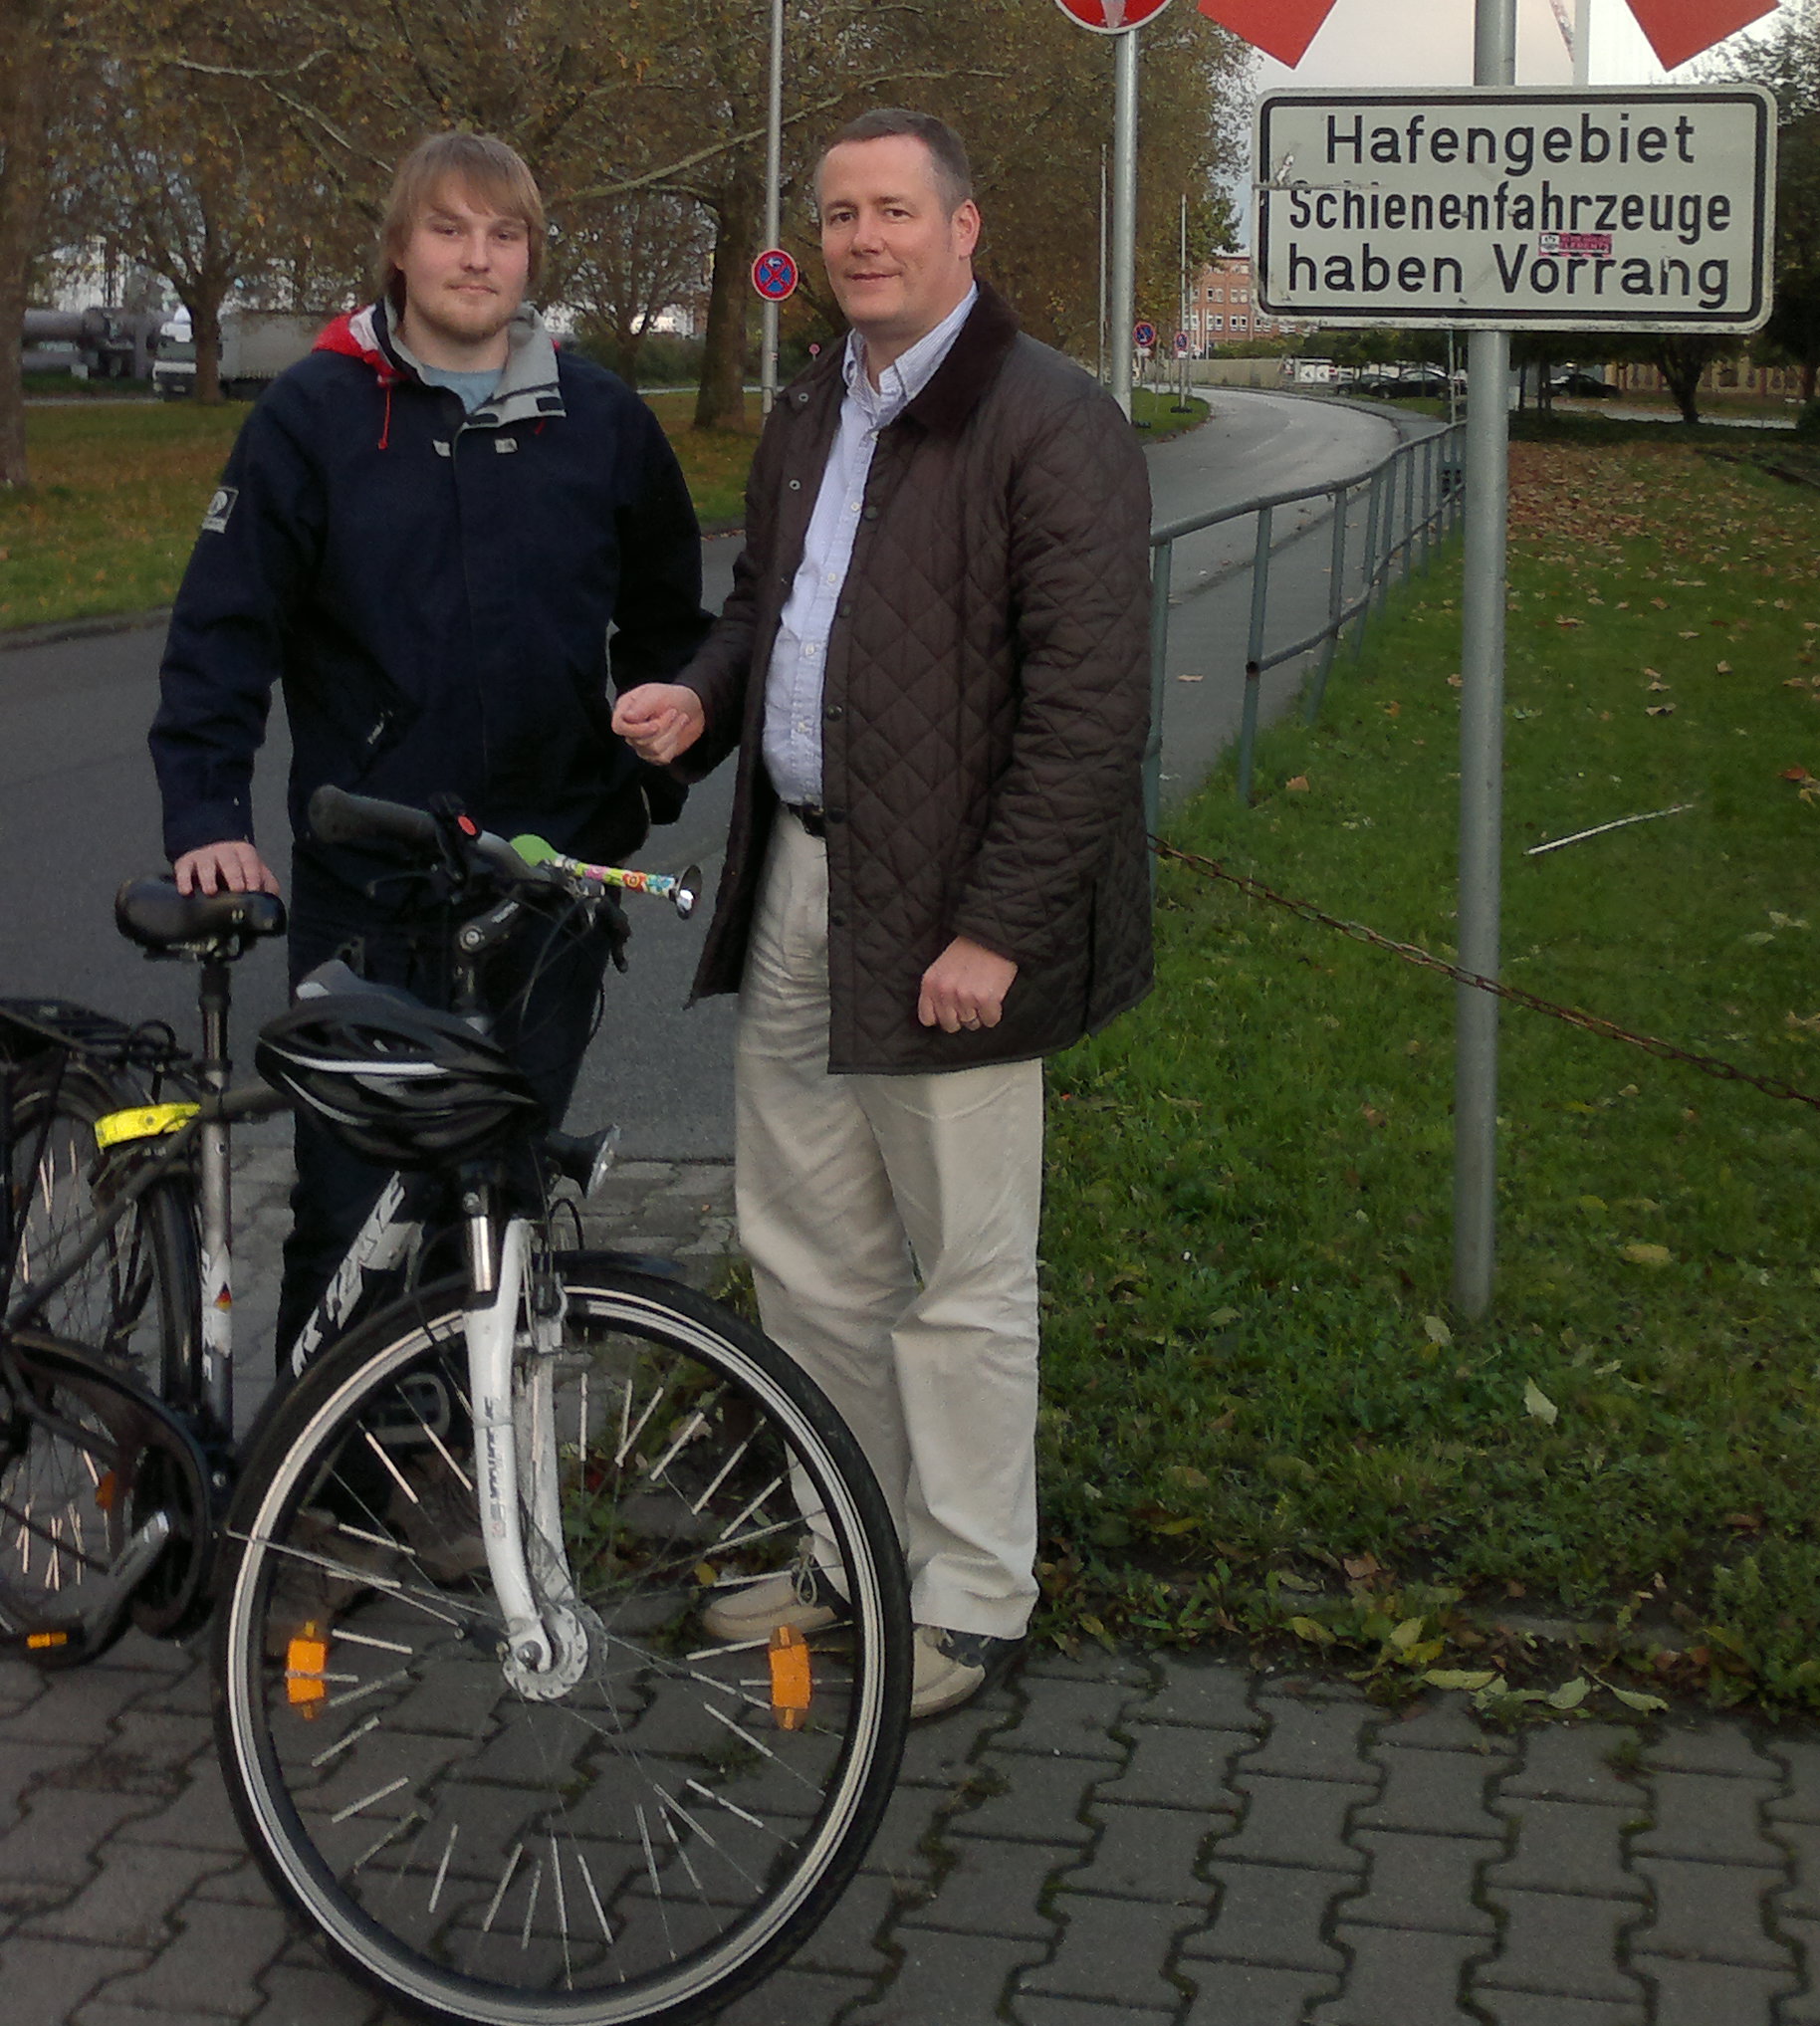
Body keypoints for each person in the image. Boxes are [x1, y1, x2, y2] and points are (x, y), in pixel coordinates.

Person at [613, 108, 1154, 1719]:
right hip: (798, 875)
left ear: (964, 226)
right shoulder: (810, 402)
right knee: (805, 1249)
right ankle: (850, 1544)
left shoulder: (1051, 420)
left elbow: (1088, 704)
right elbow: (766, 610)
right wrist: (703, 702)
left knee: (962, 1264)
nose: (862, 237)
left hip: (952, 910)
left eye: (894, 210)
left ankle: (972, 1592)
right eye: (840, 212)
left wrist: (996, 924)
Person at [151, 129, 709, 1357]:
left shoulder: (601, 417)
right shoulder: (316, 414)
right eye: (448, 230)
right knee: (351, 1211)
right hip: (375, 889)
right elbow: (223, 631)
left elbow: (677, 631)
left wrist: (656, 758)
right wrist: (207, 815)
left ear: (531, 258)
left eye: (502, 234)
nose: (476, 257)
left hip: (548, 889)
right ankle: (323, 1502)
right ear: (400, 250)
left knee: (503, 1207)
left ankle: (468, 1484)